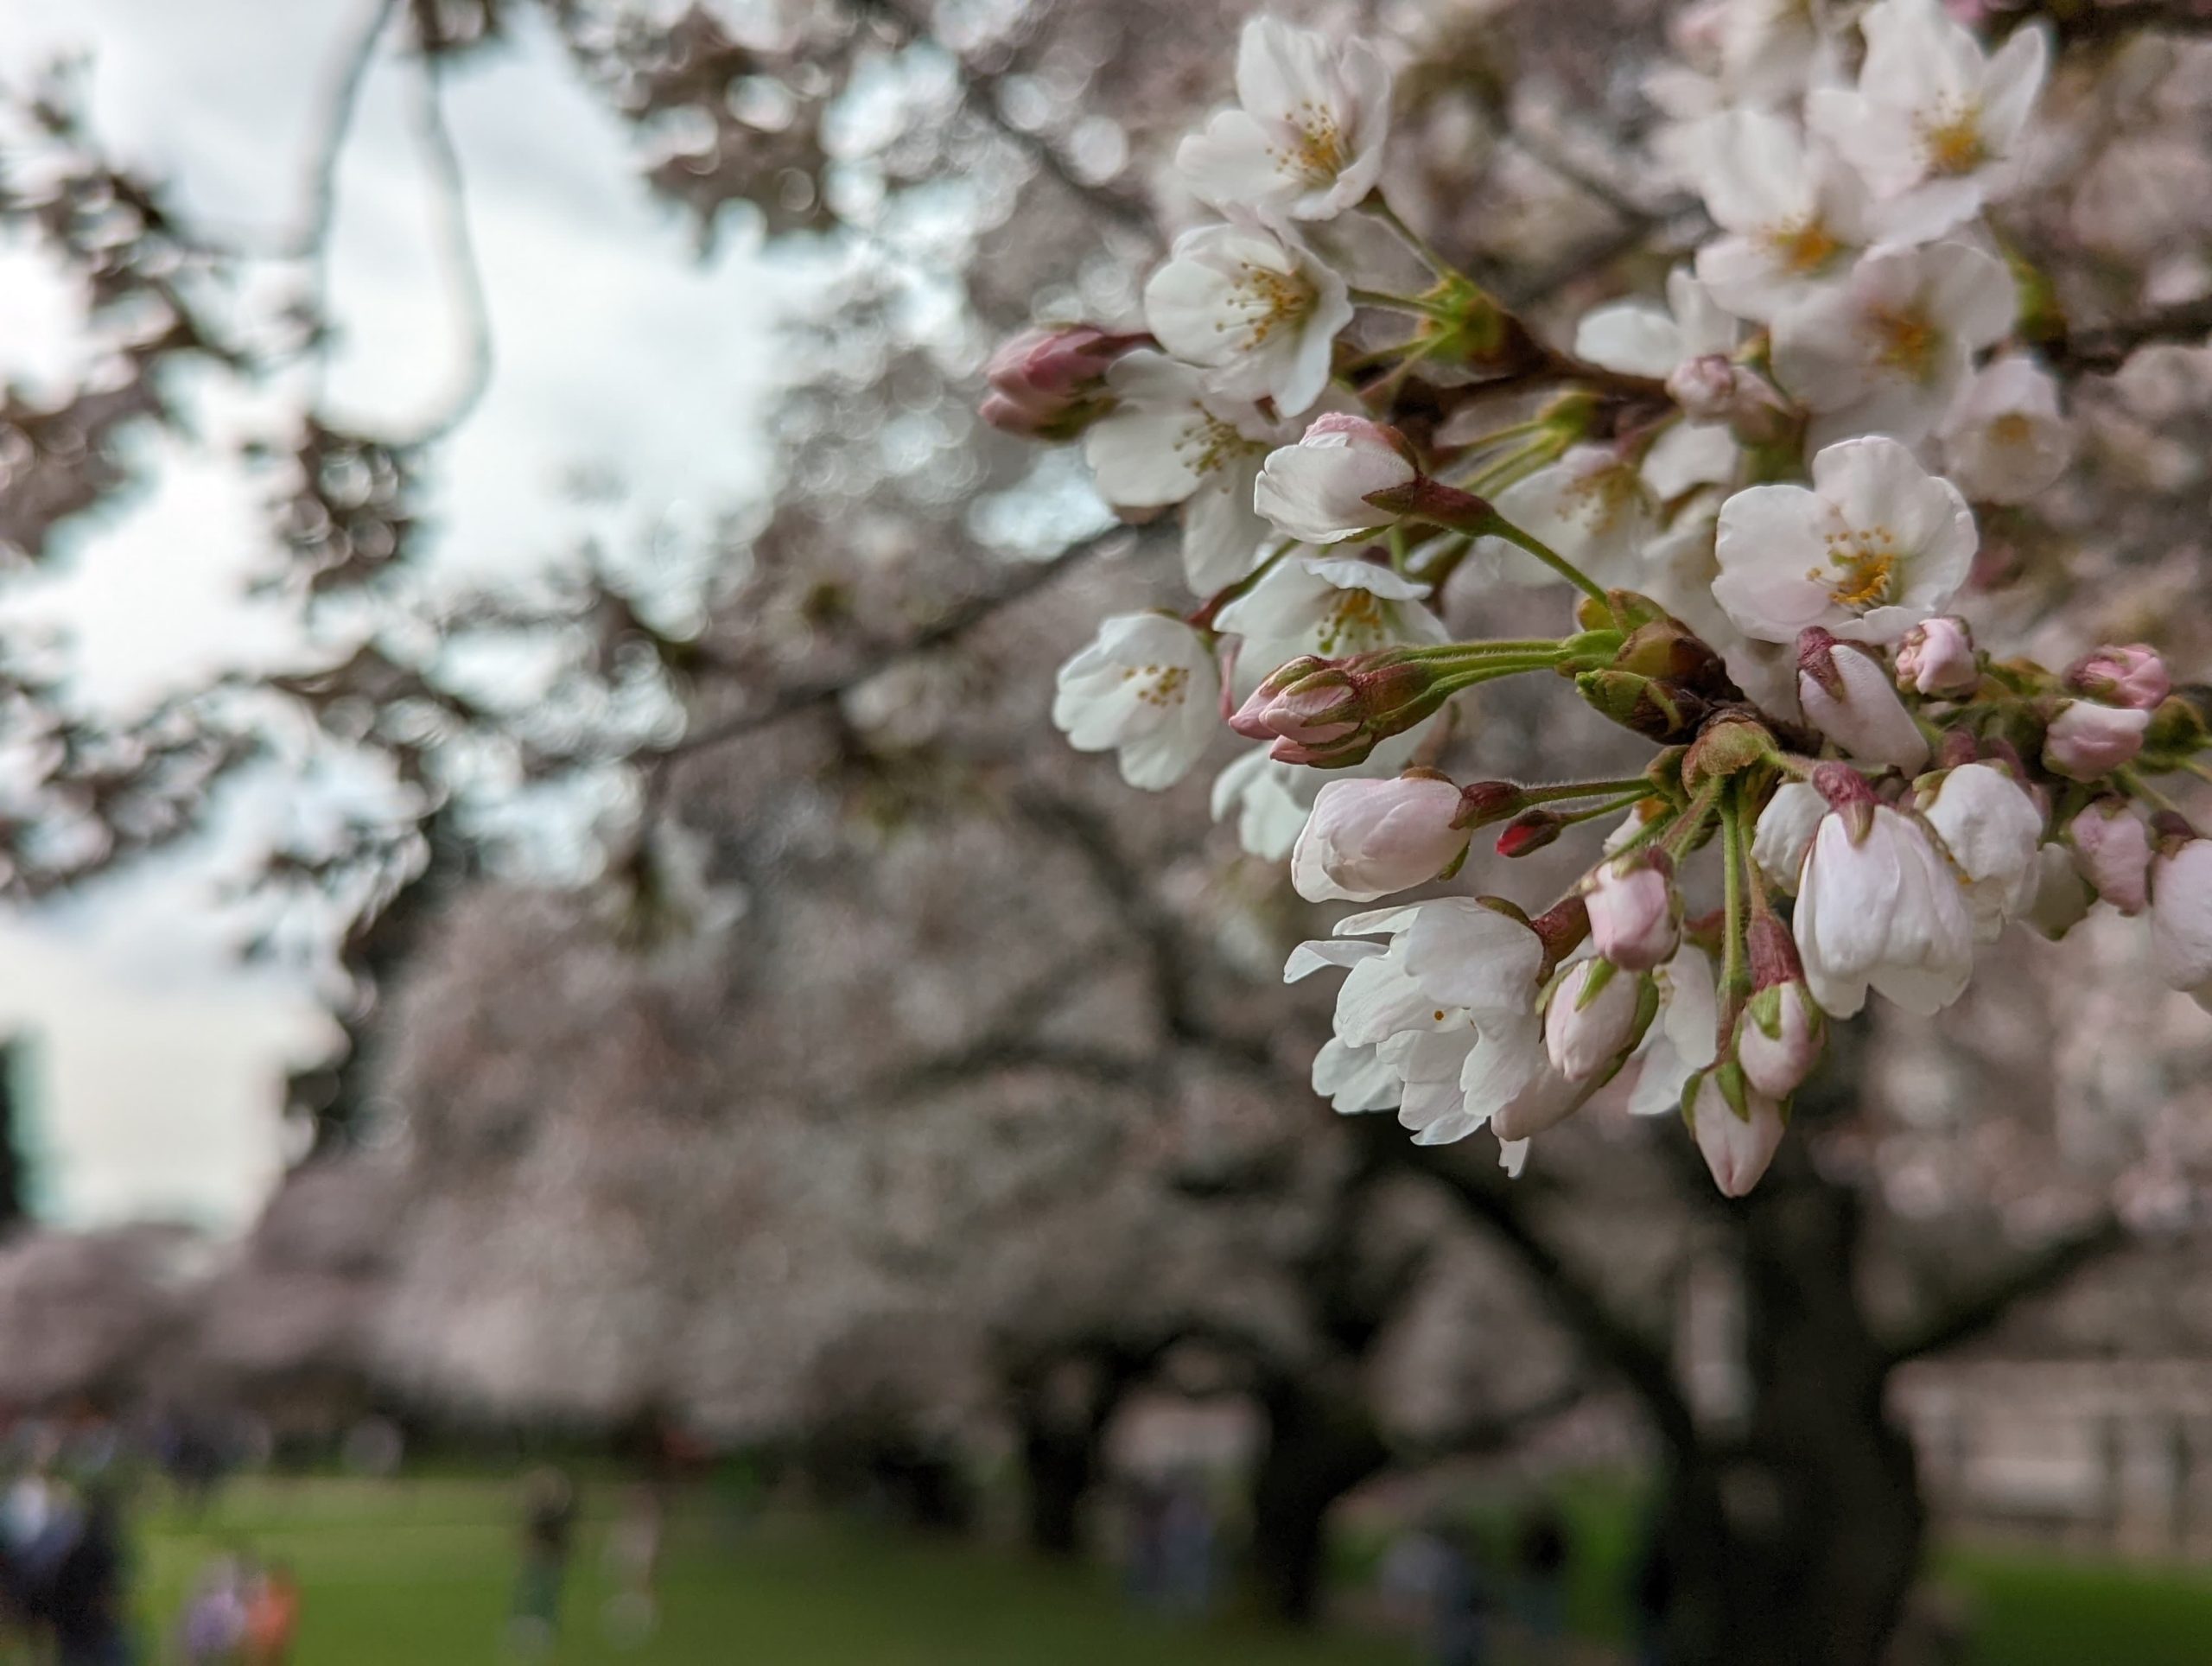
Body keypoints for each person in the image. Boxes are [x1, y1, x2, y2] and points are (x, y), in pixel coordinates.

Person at [48, 1487, 130, 1666]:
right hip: (91, 1631)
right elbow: (108, 1594)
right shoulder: (101, 1553)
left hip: (73, 1631)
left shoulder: (70, 1552)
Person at [508, 1468, 577, 1655]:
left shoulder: (551, 1513)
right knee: (535, 1593)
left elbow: (541, 1538)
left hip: (547, 1558)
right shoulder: (547, 1512)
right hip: (542, 1558)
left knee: (545, 1595)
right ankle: (532, 1625)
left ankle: (541, 1627)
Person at [1515, 1500, 1570, 1644]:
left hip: (1544, 1572)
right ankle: (1543, 1633)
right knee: (1543, 1604)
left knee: (1543, 1604)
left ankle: (1543, 1633)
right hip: (1542, 1572)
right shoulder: (1549, 1533)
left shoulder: (1542, 1534)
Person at [243, 1560, 301, 1666]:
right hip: (266, 1635)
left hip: (272, 1636)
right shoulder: (275, 1595)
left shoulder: (286, 1597)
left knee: (271, 1656)